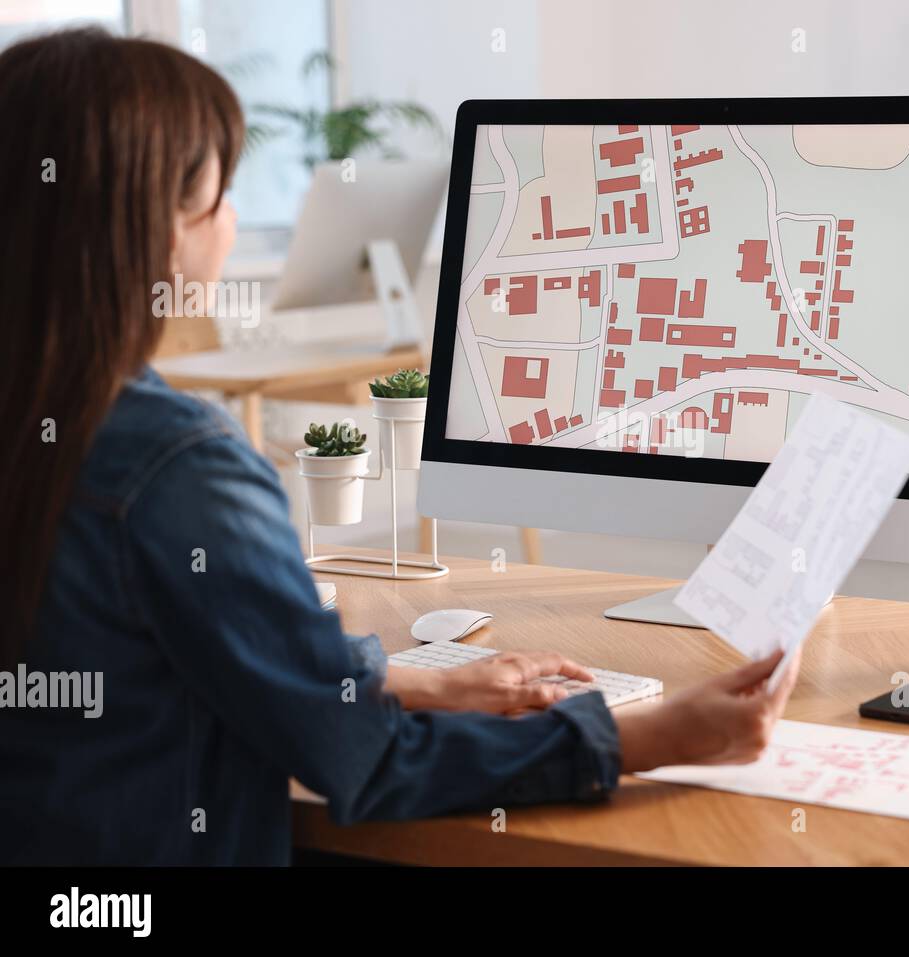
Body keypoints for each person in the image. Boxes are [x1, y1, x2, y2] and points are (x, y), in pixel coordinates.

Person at [0, 29, 800, 865]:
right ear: (153, 229)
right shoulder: (179, 468)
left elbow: (164, 652)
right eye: (218, 193)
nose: (231, 220)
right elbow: (369, 761)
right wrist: (648, 734)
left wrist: (410, 677)